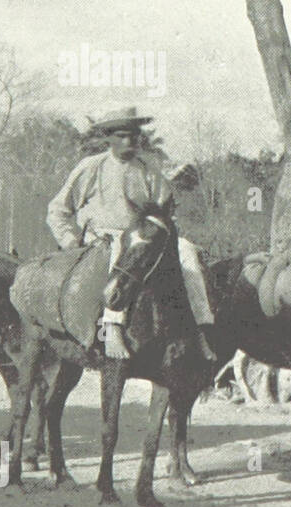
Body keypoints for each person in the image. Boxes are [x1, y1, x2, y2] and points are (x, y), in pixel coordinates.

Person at [46, 106, 216, 362]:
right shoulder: (92, 167)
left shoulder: (148, 170)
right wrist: (70, 241)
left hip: (143, 239)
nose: (130, 141)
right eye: (123, 136)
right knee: (120, 250)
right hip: (103, 239)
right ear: (109, 138)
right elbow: (58, 210)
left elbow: (164, 213)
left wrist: (163, 234)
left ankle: (202, 328)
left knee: (188, 252)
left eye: (135, 136)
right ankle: (112, 327)